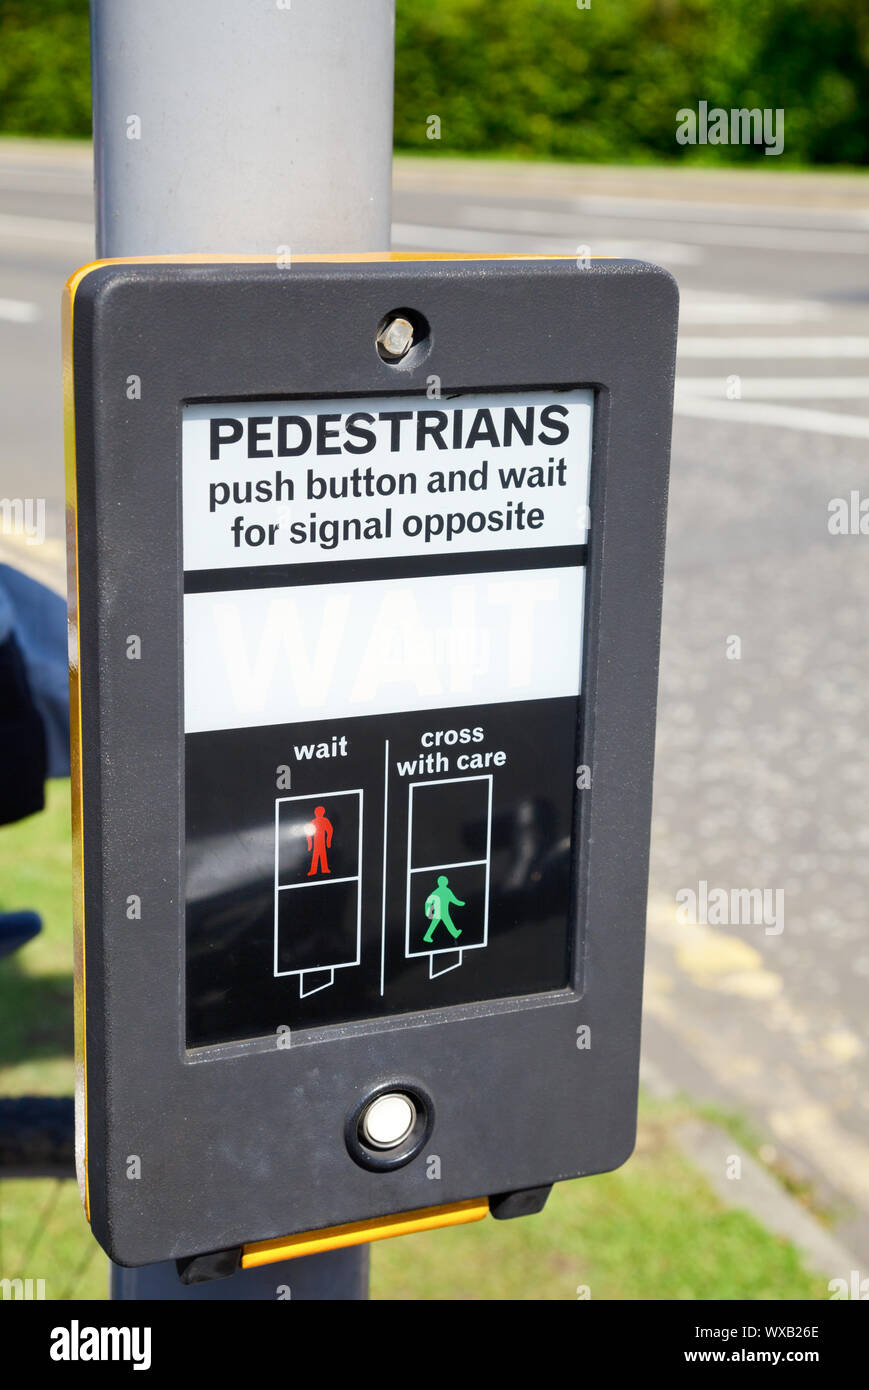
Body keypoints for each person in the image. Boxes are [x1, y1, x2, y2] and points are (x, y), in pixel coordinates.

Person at [423, 875, 464, 943]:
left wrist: (427, 911)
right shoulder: (446, 891)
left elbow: (428, 902)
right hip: (442, 912)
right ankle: (427, 936)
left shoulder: (436, 891)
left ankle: (454, 933)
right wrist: (461, 903)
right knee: (444, 923)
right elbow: (454, 900)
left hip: (440, 912)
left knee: (442, 923)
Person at [306, 805, 333, 876]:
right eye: (318, 812)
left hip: (322, 840)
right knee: (316, 855)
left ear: (323, 813)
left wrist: (328, 841)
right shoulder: (313, 821)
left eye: (320, 812)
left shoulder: (325, 820)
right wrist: (310, 844)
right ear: (315, 813)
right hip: (316, 840)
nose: (319, 813)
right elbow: (308, 833)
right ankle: (313, 870)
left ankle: (325, 869)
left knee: (323, 854)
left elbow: (330, 830)